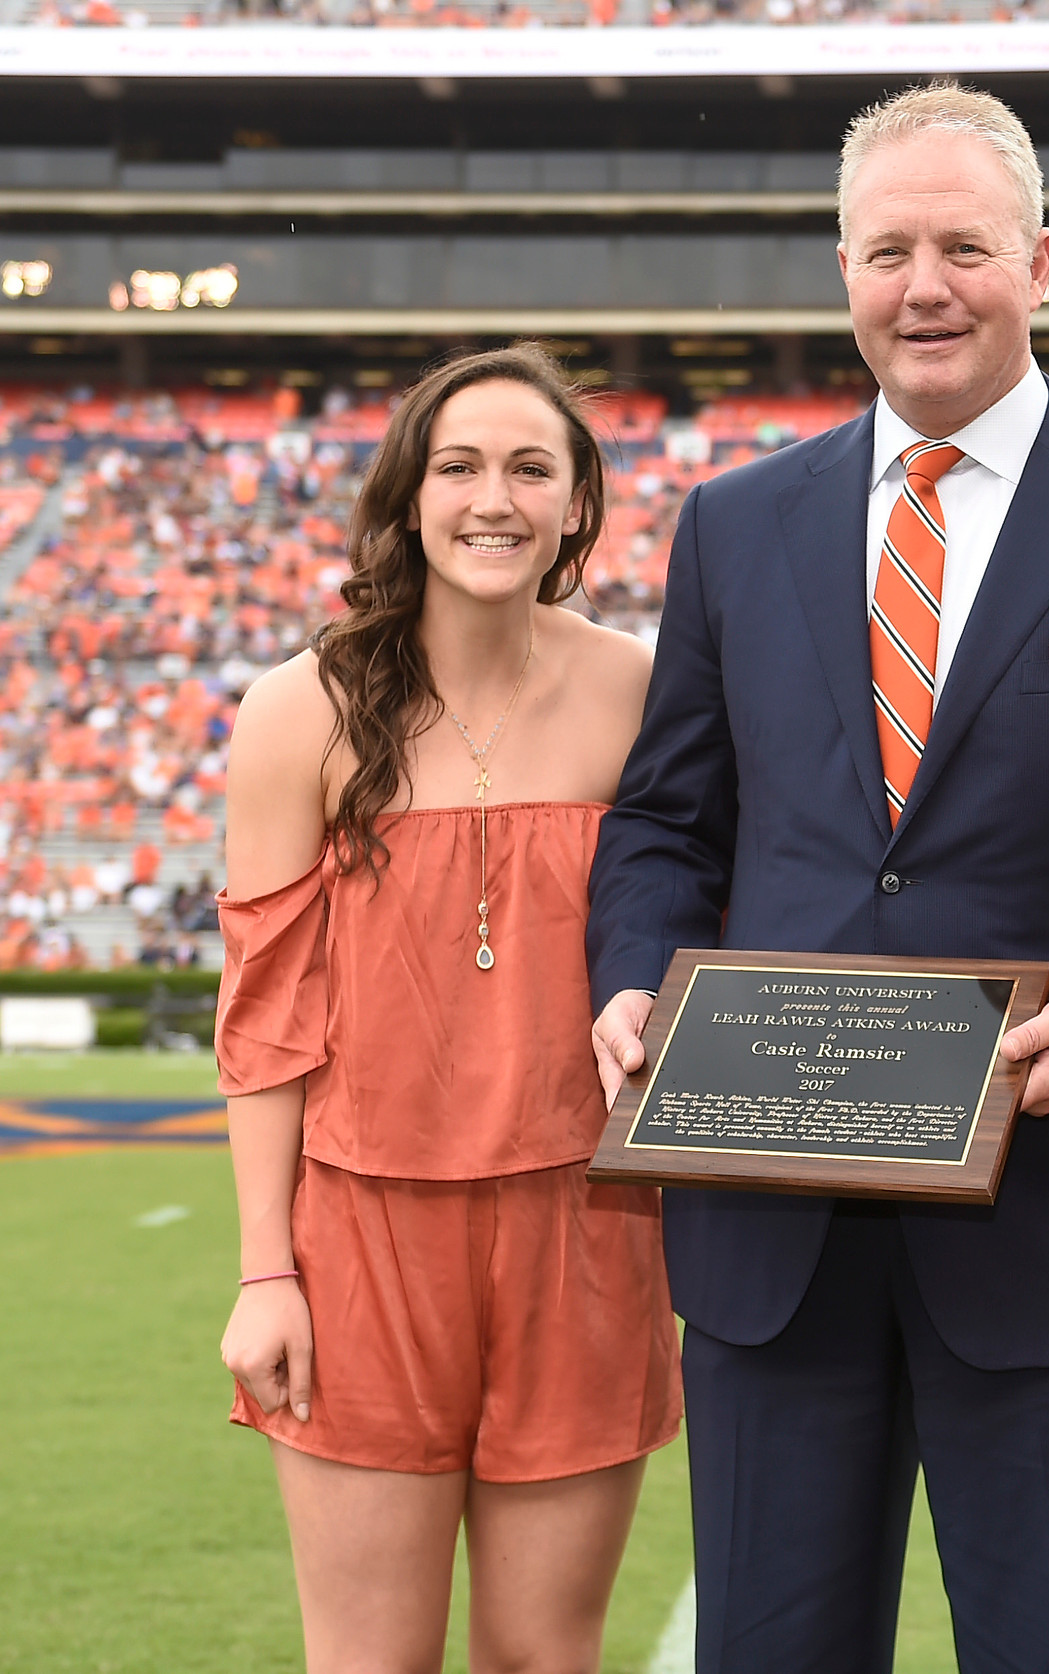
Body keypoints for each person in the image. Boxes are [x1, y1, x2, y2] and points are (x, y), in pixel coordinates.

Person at [587, 83, 1049, 1674]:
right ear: (842, 272)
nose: (924, 286)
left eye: (965, 247)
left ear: (1042, 259)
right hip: (773, 1233)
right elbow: (664, 823)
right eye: (888, 250)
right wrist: (635, 977)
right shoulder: (733, 525)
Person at [216, 343, 680, 1674]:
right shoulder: (296, 712)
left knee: (546, 1653)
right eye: (459, 464)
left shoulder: (638, 695)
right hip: (361, 1240)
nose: (495, 497)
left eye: (532, 467)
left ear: (578, 503)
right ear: (409, 496)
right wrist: (265, 1268)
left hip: (588, 1232)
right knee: (372, 1659)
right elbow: (264, 1020)